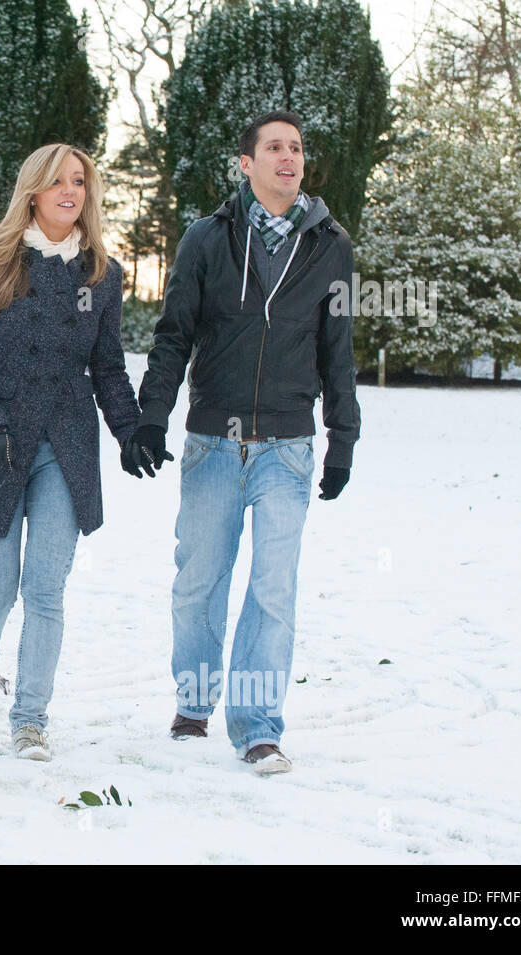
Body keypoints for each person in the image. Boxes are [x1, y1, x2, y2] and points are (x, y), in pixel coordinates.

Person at [124, 110, 362, 774]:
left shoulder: (330, 246)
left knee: (272, 590)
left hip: (287, 446)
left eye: (297, 148)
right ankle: (194, 702)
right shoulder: (208, 238)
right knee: (198, 582)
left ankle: (258, 726)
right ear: (245, 164)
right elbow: (174, 334)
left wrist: (343, 437)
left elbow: (338, 352)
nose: (289, 157)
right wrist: (151, 417)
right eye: (274, 147)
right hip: (211, 443)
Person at [0, 143, 143, 760]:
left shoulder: (101, 273)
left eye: (79, 181)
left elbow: (107, 368)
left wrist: (129, 429)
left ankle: (30, 719)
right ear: (33, 190)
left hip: (66, 447)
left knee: (46, 590)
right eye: (57, 181)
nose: (70, 191)